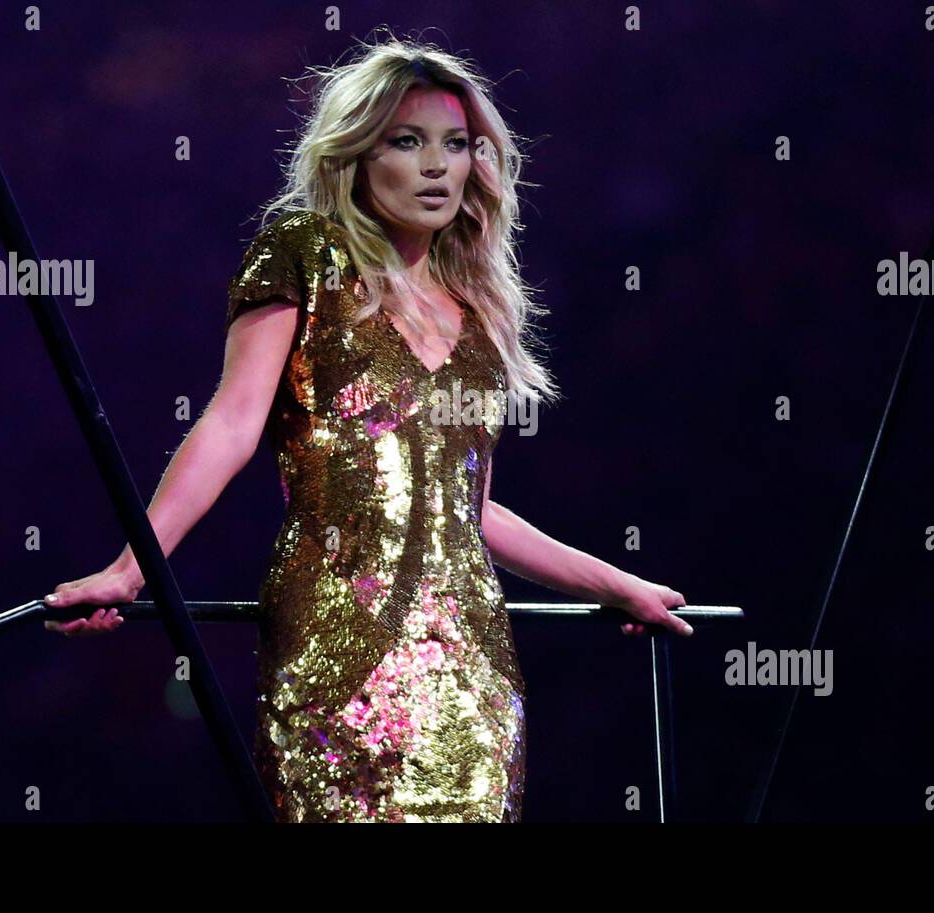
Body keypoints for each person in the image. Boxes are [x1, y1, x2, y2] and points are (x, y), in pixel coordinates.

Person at [43, 35, 691, 822]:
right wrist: (131, 566)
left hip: (470, 667)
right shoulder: (304, 254)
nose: (436, 166)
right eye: (406, 141)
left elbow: (469, 508)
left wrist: (616, 582)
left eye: (455, 145)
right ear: (356, 154)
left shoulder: (478, 313)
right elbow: (231, 423)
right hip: (336, 644)